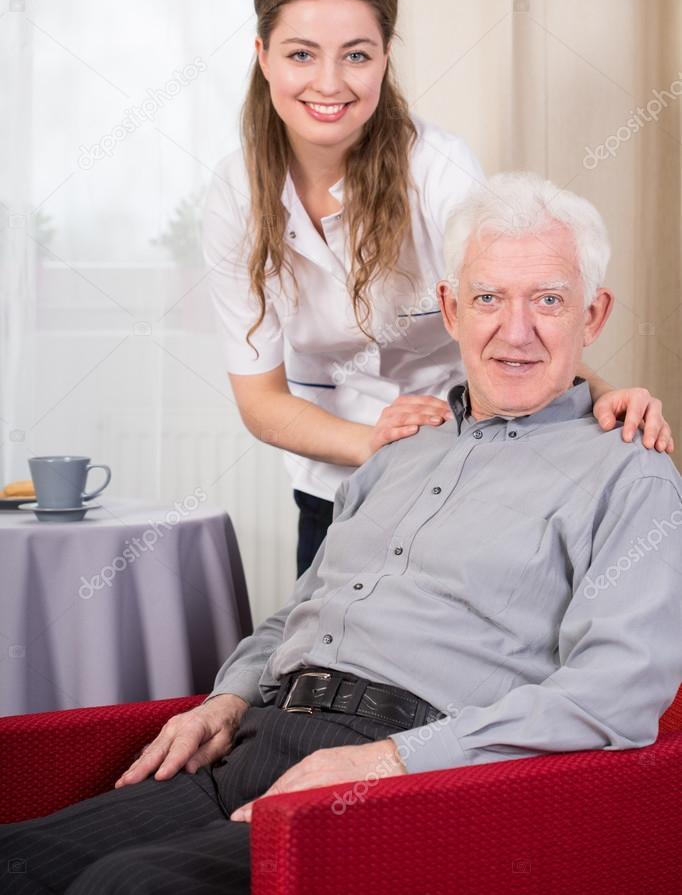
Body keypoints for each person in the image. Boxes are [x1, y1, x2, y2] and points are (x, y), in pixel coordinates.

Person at [4, 172, 681, 894]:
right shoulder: (400, 447)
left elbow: (616, 693)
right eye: (489, 297)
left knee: (127, 886)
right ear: (451, 309)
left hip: (407, 787)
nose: (516, 331)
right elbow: (302, 609)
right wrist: (228, 697)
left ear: (595, 314)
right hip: (256, 742)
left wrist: (391, 760)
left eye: (548, 299)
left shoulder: (630, 476)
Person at [202, 0, 673, 579]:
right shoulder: (234, 196)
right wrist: (371, 441)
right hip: (337, 486)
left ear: (386, 58)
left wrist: (613, 397)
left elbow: (512, 313)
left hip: (460, 469)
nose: (330, 82)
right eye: (301, 54)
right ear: (263, 56)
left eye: (357, 55)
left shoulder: (438, 170)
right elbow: (261, 400)